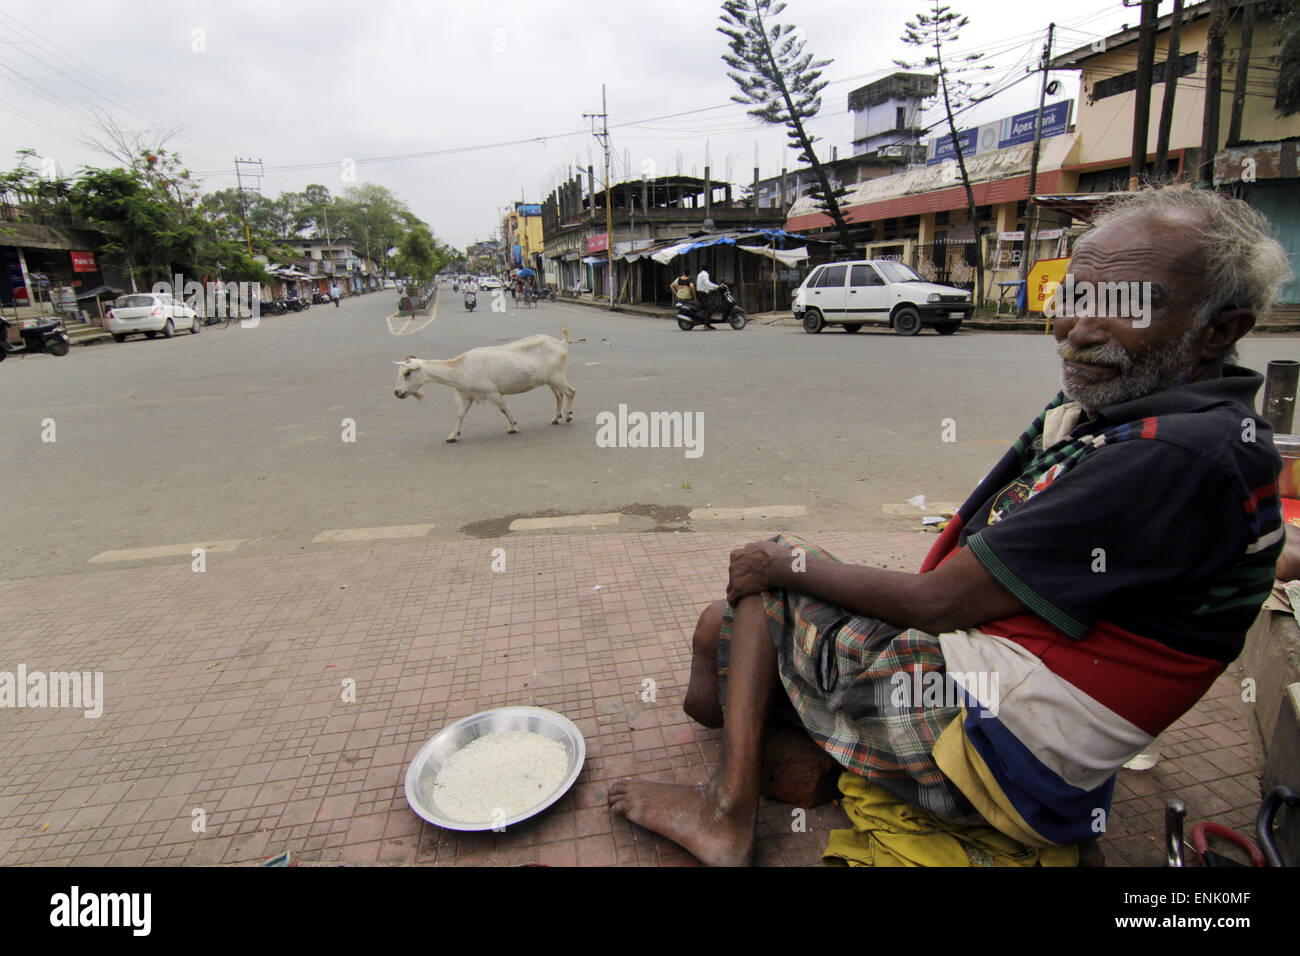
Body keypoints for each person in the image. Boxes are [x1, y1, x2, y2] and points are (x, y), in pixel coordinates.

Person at [609, 186, 1294, 866]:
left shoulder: (1173, 453)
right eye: (1077, 296)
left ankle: (726, 812)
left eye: (1128, 305)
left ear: (1220, 329)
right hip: (1043, 739)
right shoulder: (1187, 425)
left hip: (1003, 758)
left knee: (771, 578)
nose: (1077, 328)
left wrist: (776, 567)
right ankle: (754, 707)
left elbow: (938, 602)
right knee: (738, 613)